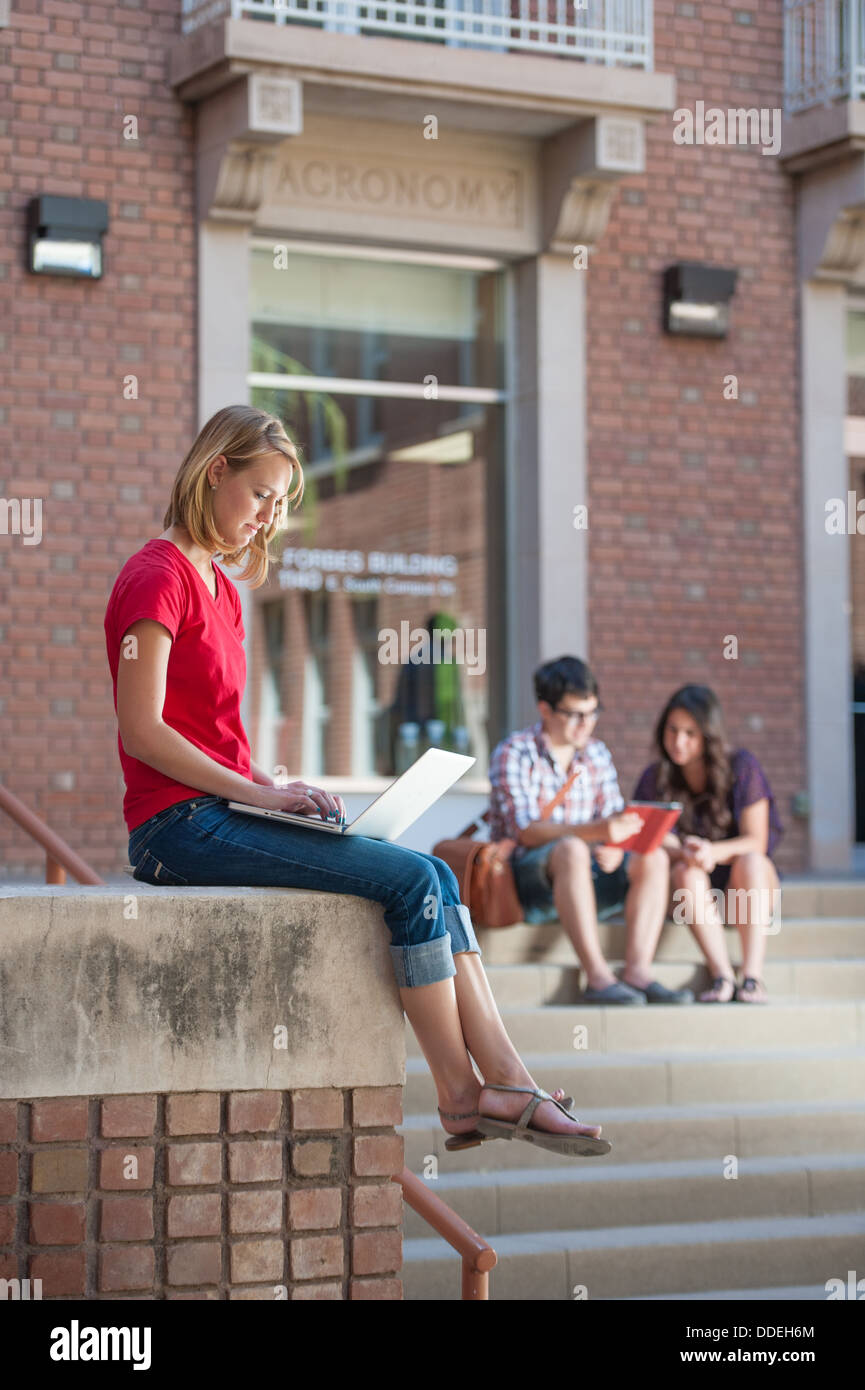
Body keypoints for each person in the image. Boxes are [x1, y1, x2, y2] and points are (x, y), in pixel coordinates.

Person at [102, 404, 608, 1159]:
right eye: (261, 494)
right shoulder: (156, 576)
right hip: (174, 830)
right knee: (408, 883)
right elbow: (143, 731)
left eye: (281, 502)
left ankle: (501, 1078)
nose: (269, 516)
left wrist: (279, 785)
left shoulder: (222, 590)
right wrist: (262, 798)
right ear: (216, 472)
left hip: (220, 810)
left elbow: (213, 737)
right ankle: (462, 1094)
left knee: (434, 871)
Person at [488, 656, 693, 1005]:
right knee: (571, 849)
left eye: (593, 712)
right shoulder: (515, 752)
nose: (586, 724)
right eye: (574, 714)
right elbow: (526, 832)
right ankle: (598, 978)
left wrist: (616, 843)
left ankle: (637, 972)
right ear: (545, 709)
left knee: (653, 856)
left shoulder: (596, 753)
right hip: (530, 881)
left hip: (591, 875)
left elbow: (613, 818)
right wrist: (598, 832)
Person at [633, 685, 783, 1005]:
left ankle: (752, 977)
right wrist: (685, 848)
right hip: (691, 895)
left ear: (708, 735)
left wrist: (712, 852)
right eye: (672, 730)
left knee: (752, 861)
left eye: (690, 733)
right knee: (686, 872)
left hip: (745, 891)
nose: (678, 741)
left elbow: (757, 840)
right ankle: (722, 975)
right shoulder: (655, 777)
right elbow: (646, 835)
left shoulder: (743, 766)